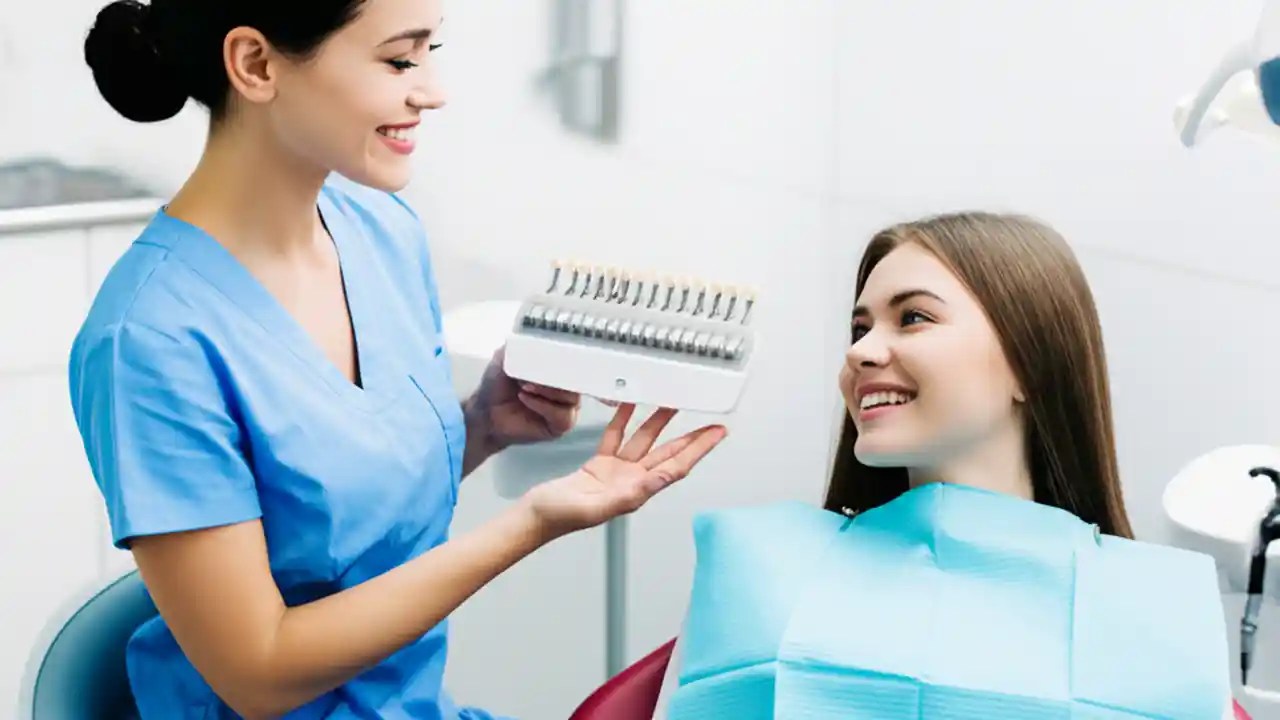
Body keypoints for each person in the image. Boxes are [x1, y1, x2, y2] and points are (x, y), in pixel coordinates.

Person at [70, 1, 727, 718]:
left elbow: (343, 515)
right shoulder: (150, 340)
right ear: (256, 65)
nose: (432, 90)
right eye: (399, 60)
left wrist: (481, 424)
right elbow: (256, 673)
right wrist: (533, 523)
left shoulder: (380, 231)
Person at [649, 212, 1237, 718]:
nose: (860, 351)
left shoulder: (1160, 611)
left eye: (913, 318)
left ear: (1029, 364)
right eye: (859, 328)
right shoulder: (756, 565)